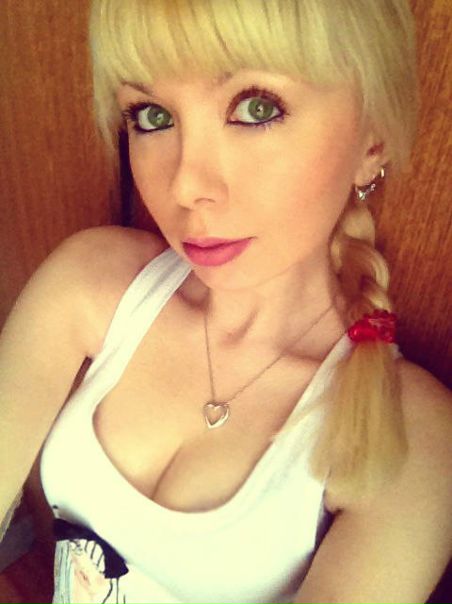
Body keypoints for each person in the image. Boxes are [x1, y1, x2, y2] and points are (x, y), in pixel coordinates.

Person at [0, 0, 451, 602]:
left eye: (256, 108)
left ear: (371, 142)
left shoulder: (408, 437)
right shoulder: (91, 283)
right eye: (153, 116)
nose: (187, 185)